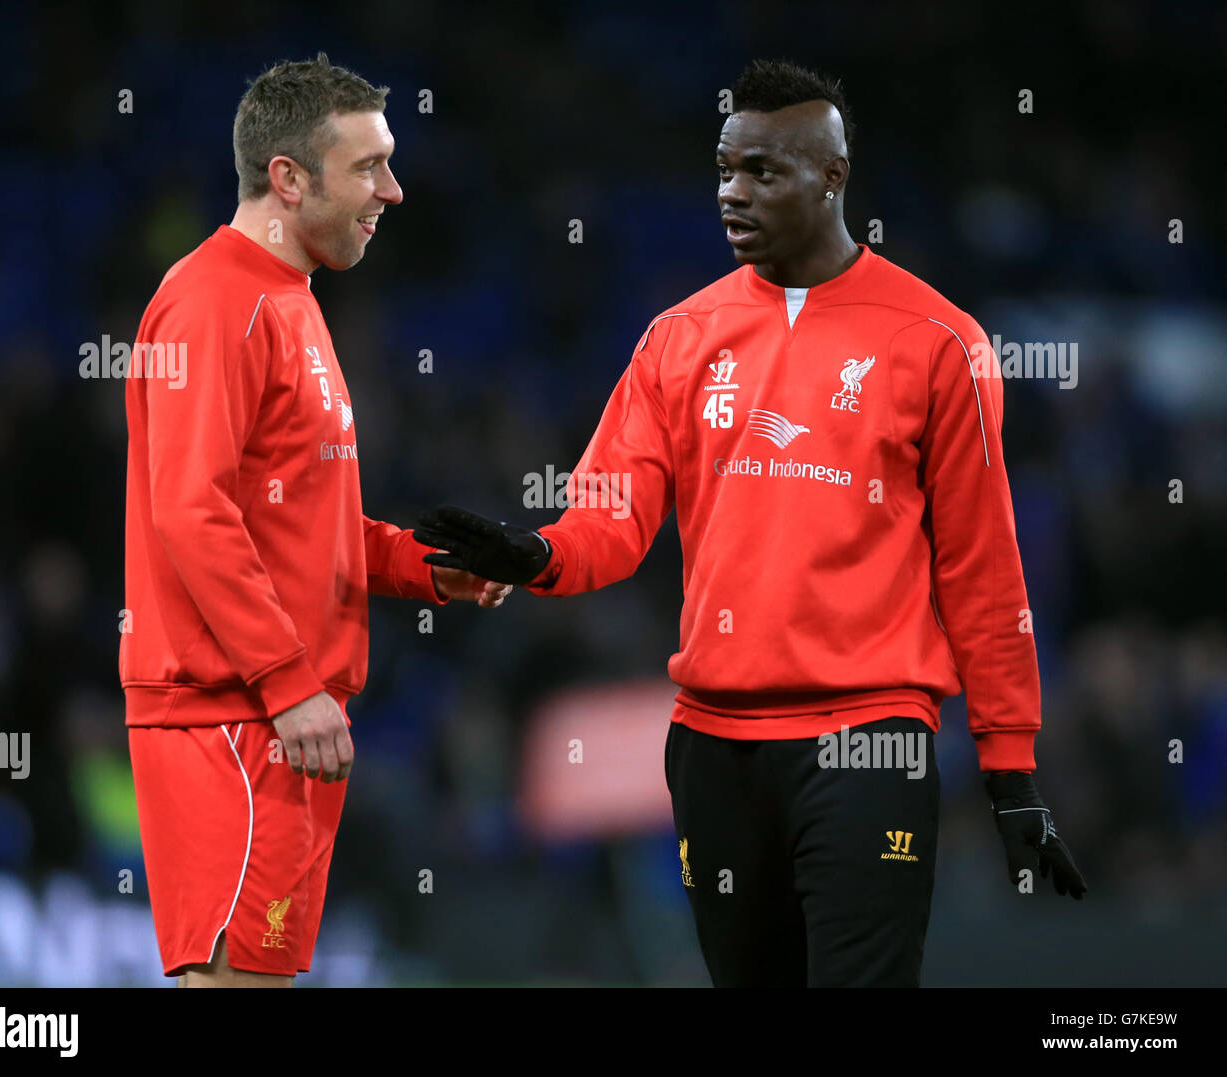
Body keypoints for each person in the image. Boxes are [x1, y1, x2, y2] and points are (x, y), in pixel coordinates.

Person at [414, 58, 1086, 988]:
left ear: (833, 177)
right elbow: (609, 519)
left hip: (869, 735)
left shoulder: (940, 343)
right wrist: (536, 553)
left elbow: (983, 568)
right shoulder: (678, 339)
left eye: (763, 172)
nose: (733, 194)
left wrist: (1009, 768)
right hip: (714, 746)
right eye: (725, 170)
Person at [119, 54, 509, 988]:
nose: (395, 190)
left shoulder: (291, 303)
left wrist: (427, 566)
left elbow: (291, 520)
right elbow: (191, 506)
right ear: (288, 180)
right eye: (368, 167)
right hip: (232, 715)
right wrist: (289, 682)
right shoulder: (216, 301)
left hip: (277, 717)